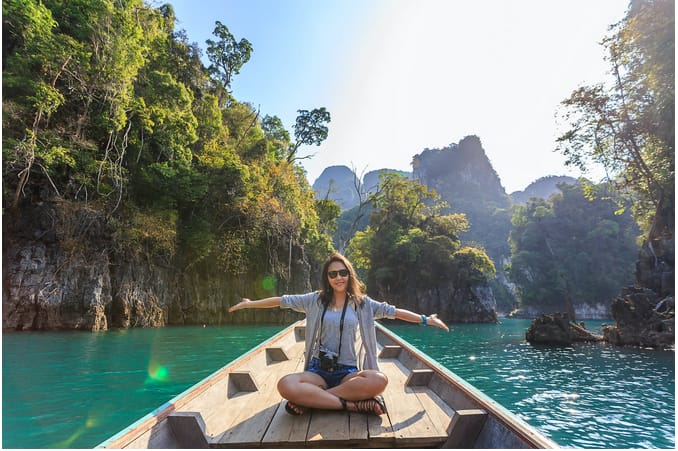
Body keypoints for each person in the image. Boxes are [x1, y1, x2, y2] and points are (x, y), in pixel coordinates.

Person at [228, 252, 449, 416]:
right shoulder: (314, 300)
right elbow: (281, 301)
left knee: (378, 380)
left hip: (347, 372)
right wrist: (250, 304)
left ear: (349, 275)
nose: (338, 277)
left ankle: (314, 400)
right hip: (319, 371)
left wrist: (425, 320)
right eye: (333, 274)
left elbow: (395, 312)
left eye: (343, 272)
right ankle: (351, 405)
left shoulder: (364, 304)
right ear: (327, 277)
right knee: (285, 385)